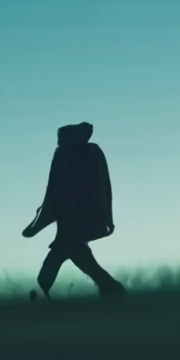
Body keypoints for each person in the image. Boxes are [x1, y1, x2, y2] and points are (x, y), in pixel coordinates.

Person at [22, 122, 125, 299]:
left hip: (76, 219)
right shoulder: (77, 153)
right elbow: (55, 190)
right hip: (71, 218)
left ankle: (39, 294)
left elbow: (100, 186)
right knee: (77, 255)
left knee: (66, 255)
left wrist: (38, 224)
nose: (58, 142)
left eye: (61, 139)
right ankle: (110, 288)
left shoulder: (84, 153)